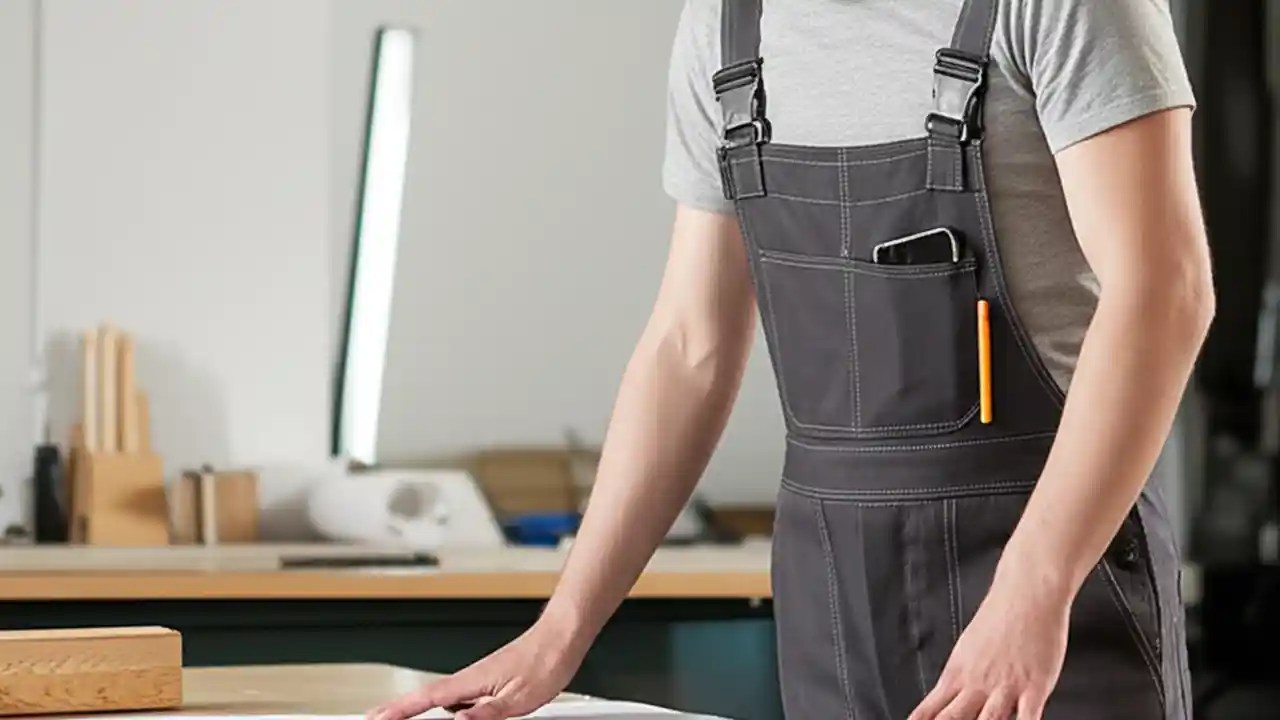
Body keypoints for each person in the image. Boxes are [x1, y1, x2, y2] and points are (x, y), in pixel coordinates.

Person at [368, 0, 1213, 717]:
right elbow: (688, 347)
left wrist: (1035, 592)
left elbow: (1165, 294)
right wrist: (561, 631)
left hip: (1051, 558)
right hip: (832, 590)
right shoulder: (733, 26)